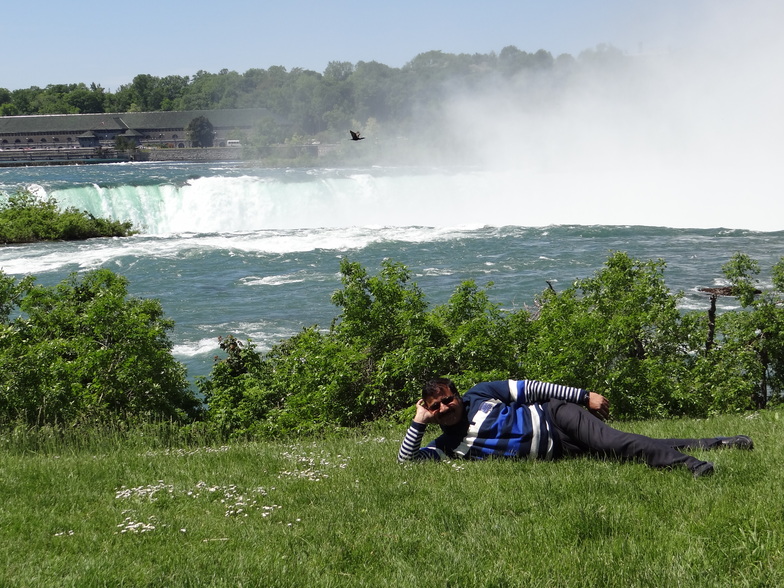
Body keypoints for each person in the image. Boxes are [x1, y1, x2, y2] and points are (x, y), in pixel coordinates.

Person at [397, 378, 754, 478]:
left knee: (619, 443)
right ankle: (720, 442)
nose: (444, 408)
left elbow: (533, 388)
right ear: (429, 412)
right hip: (561, 451)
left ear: (457, 396)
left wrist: (583, 397)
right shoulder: (446, 445)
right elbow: (405, 464)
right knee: (630, 444)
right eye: (434, 407)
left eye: (447, 400)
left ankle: (693, 466)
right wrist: (417, 423)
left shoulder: (482, 394)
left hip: (558, 416)